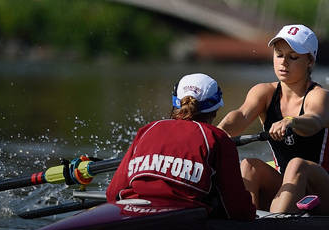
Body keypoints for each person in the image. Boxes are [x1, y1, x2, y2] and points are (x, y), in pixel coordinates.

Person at [216, 24, 329, 214]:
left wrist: (291, 121)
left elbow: (314, 121)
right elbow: (240, 117)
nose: (284, 62)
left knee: (296, 164)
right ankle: (242, 219)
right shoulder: (263, 92)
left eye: (293, 57)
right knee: (249, 165)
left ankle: (273, 225)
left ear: (310, 61)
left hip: (326, 192)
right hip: (287, 184)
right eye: (279, 54)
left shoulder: (319, 95)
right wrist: (209, 134)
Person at [106, 73, 255, 220]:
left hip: (131, 212)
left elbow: (113, 193)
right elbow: (237, 209)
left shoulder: (148, 130)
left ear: (175, 103)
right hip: (185, 220)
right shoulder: (218, 138)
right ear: (214, 111)